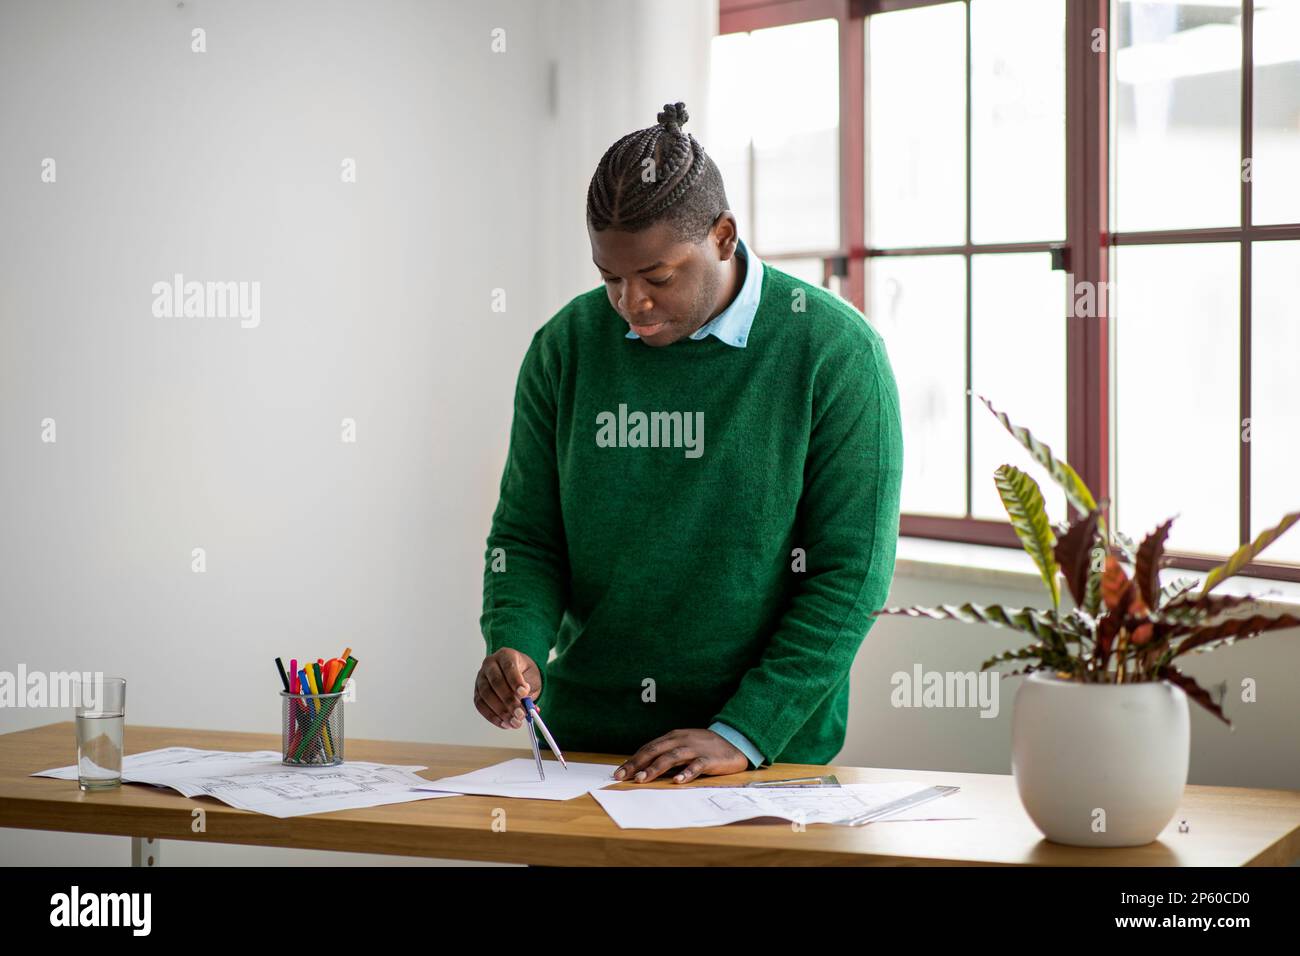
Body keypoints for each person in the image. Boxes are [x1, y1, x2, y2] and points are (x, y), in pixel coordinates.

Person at [473, 101, 903, 785]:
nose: (631, 303)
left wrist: (742, 732)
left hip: (763, 762)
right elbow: (527, 536)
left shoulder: (833, 351)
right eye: (610, 277)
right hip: (586, 755)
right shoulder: (565, 349)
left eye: (658, 277)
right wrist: (516, 644)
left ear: (724, 236)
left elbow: (849, 576)